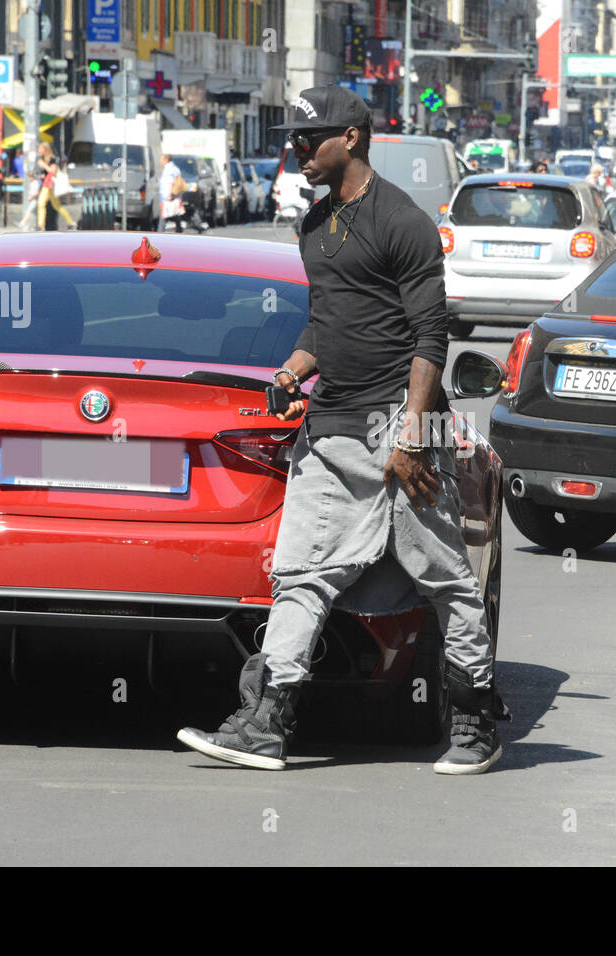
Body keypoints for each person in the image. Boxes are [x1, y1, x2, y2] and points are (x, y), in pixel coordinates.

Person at [177, 85, 510, 774]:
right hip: (331, 425)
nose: (295, 149)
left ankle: (475, 721)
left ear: (352, 138)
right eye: (292, 138)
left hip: (404, 421)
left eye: (309, 137)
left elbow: (430, 333)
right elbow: (327, 324)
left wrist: (416, 432)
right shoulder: (313, 225)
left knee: (443, 576)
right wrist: (294, 369)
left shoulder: (404, 221)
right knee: (299, 574)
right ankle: (267, 723)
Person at [34, 142, 74, 231]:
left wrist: (43, 165)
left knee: (41, 203)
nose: (39, 151)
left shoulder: (52, 159)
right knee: (56, 206)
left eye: (40, 149)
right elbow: (45, 173)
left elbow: (53, 171)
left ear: (45, 149)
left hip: (50, 185)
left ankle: (41, 226)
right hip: (47, 184)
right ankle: (70, 222)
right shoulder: (42, 158)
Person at [157, 152, 185, 233]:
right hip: (173, 196)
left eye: (161, 159)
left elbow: (170, 182)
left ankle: (159, 232)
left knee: (164, 216)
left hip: (168, 196)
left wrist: (169, 195)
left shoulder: (168, 169)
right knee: (174, 214)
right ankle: (179, 229)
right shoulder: (175, 168)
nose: (160, 161)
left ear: (166, 159)